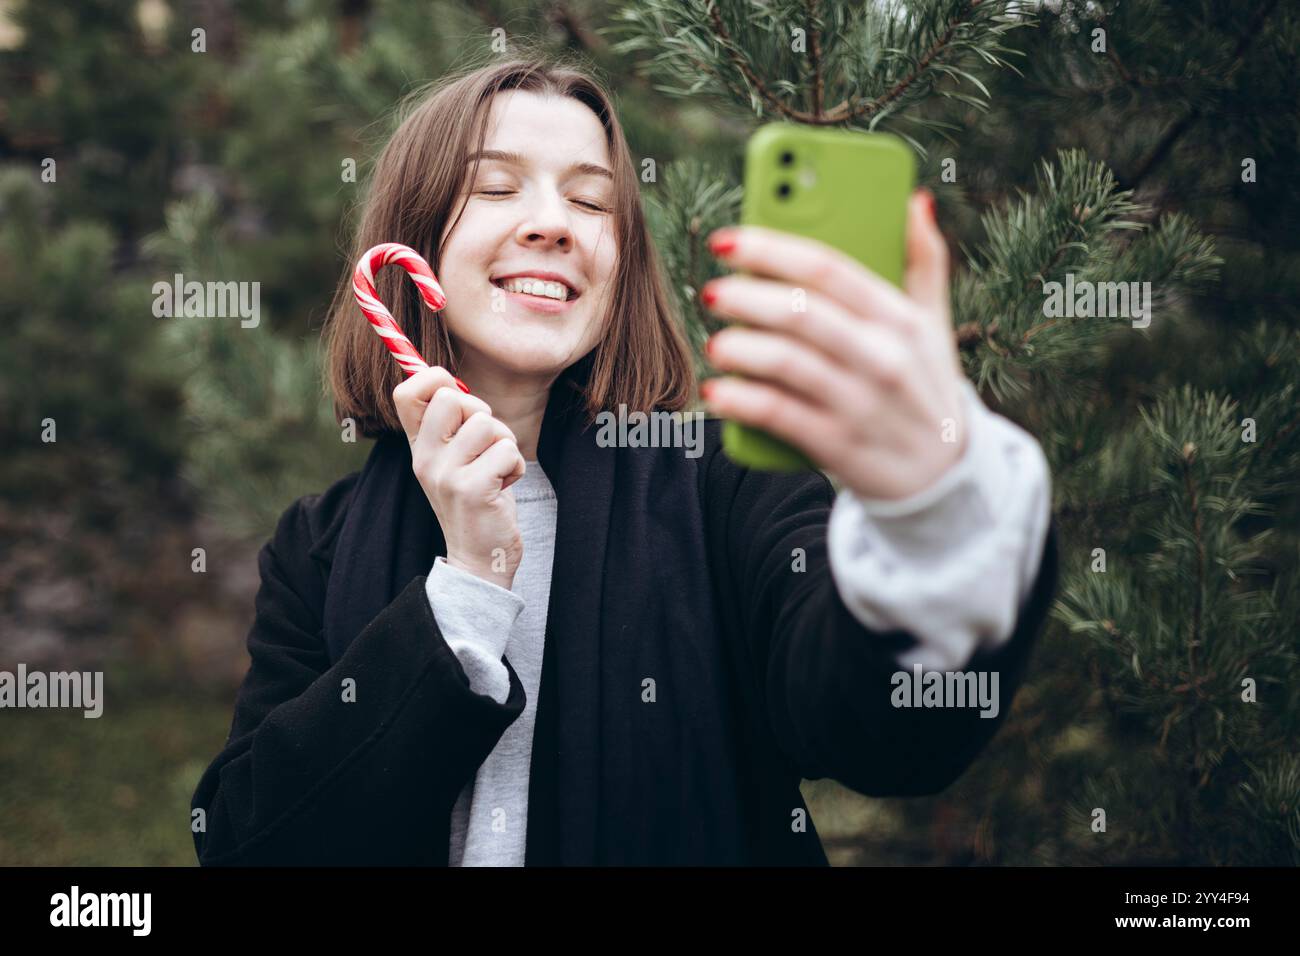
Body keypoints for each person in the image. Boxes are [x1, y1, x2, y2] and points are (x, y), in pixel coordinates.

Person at [190, 55, 1058, 866]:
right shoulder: (319, 544)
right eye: (496, 186)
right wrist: (467, 591)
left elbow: (884, 736)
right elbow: (246, 840)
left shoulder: (724, 487)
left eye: (594, 202)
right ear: (415, 243)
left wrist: (927, 505)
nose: (552, 225)